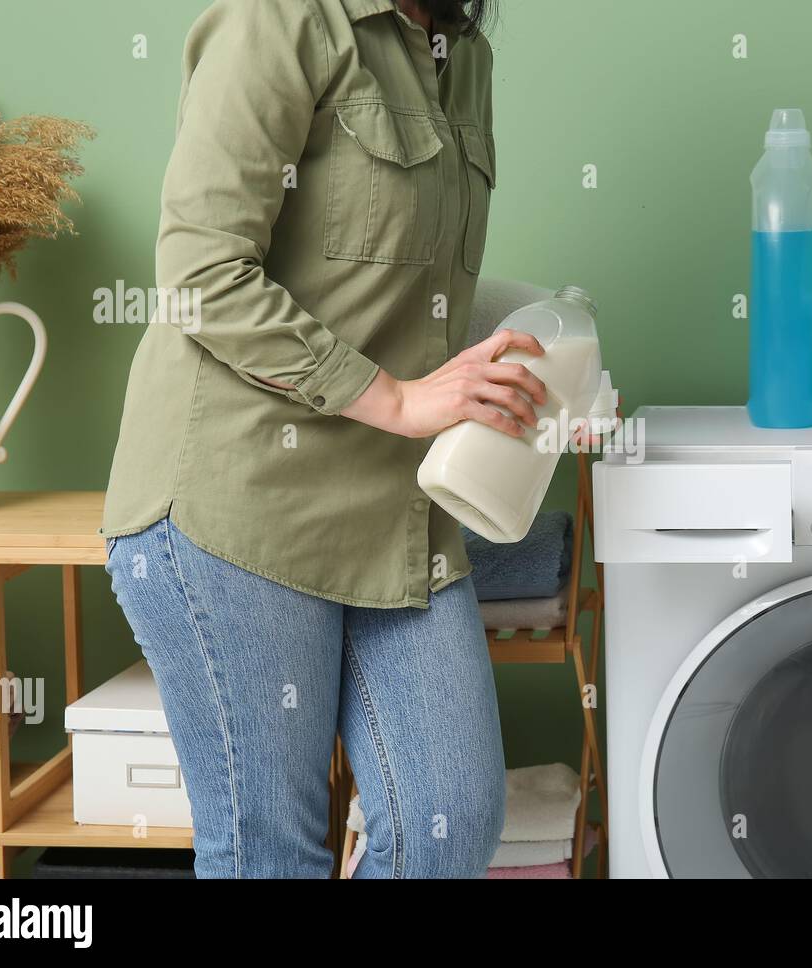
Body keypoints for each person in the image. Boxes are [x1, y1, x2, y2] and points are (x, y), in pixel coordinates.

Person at [101, 0, 529, 878]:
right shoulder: (277, 18)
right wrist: (400, 399)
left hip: (391, 515)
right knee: (272, 858)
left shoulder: (465, 52)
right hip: (239, 495)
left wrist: (547, 365)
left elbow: (404, 287)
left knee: (451, 826)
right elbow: (201, 275)